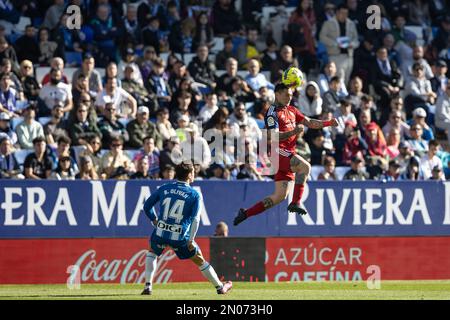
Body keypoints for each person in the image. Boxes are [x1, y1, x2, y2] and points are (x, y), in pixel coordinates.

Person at [233, 83, 338, 226]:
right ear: (277, 94)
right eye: (287, 95)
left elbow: (310, 122)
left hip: (287, 153)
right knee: (305, 167)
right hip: (276, 151)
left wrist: (328, 123)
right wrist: (293, 132)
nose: (289, 97)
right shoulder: (272, 113)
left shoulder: (292, 110)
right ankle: (296, 202)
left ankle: (246, 213)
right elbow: (272, 137)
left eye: (291, 95)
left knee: (279, 196)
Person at [141, 162, 233, 295]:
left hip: (161, 232)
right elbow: (196, 219)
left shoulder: (164, 188)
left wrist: (154, 220)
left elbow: (147, 206)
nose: (194, 174)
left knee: (152, 253)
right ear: (189, 175)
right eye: (193, 172)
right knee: (199, 259)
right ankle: (220, 287)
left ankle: (148, 286)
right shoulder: (194, 194)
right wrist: (191, 240)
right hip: (180, 237)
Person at [319, 4, 359, 84]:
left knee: (346, 79)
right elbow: (322, 37)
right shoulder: (328, 23)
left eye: (346, 13)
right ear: (337, 13)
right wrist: (334, 43)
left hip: (349, 55)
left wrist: (352, 44)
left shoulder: (351, 24)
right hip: (335, 55)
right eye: (342, 13)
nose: (344, 15)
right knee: (338, 79)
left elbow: (356, 40)